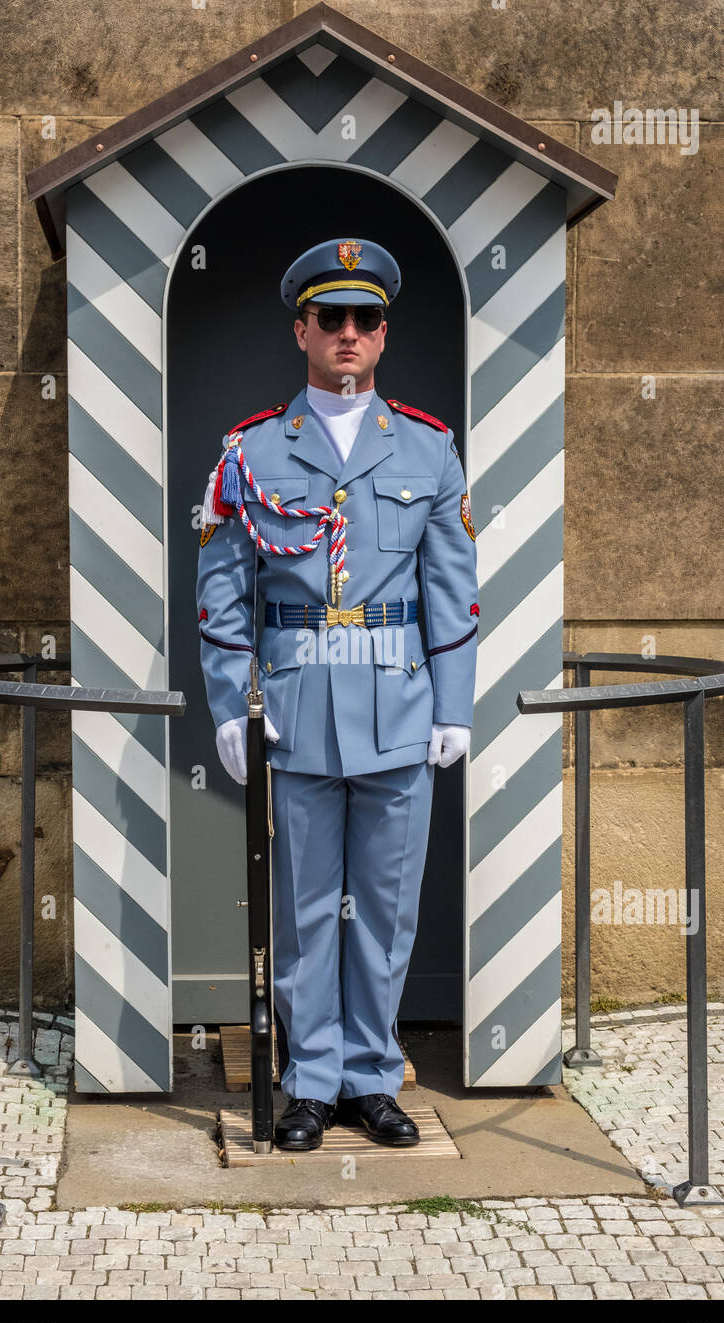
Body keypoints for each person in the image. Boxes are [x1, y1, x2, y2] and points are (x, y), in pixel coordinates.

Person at [196, 237, 478, 1150]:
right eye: (331, 318)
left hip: (399, 700)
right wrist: (231, 702)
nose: (348, 332)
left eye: (365, 319)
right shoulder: (250, 452)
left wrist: (455, 703)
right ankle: (310, 1078)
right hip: (298, 704)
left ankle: (372, 1073)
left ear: (384, 335)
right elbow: (224, 591)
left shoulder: (430, 449)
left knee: (387, 903)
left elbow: (452, 587)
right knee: (310, 904)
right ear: (302, 330)